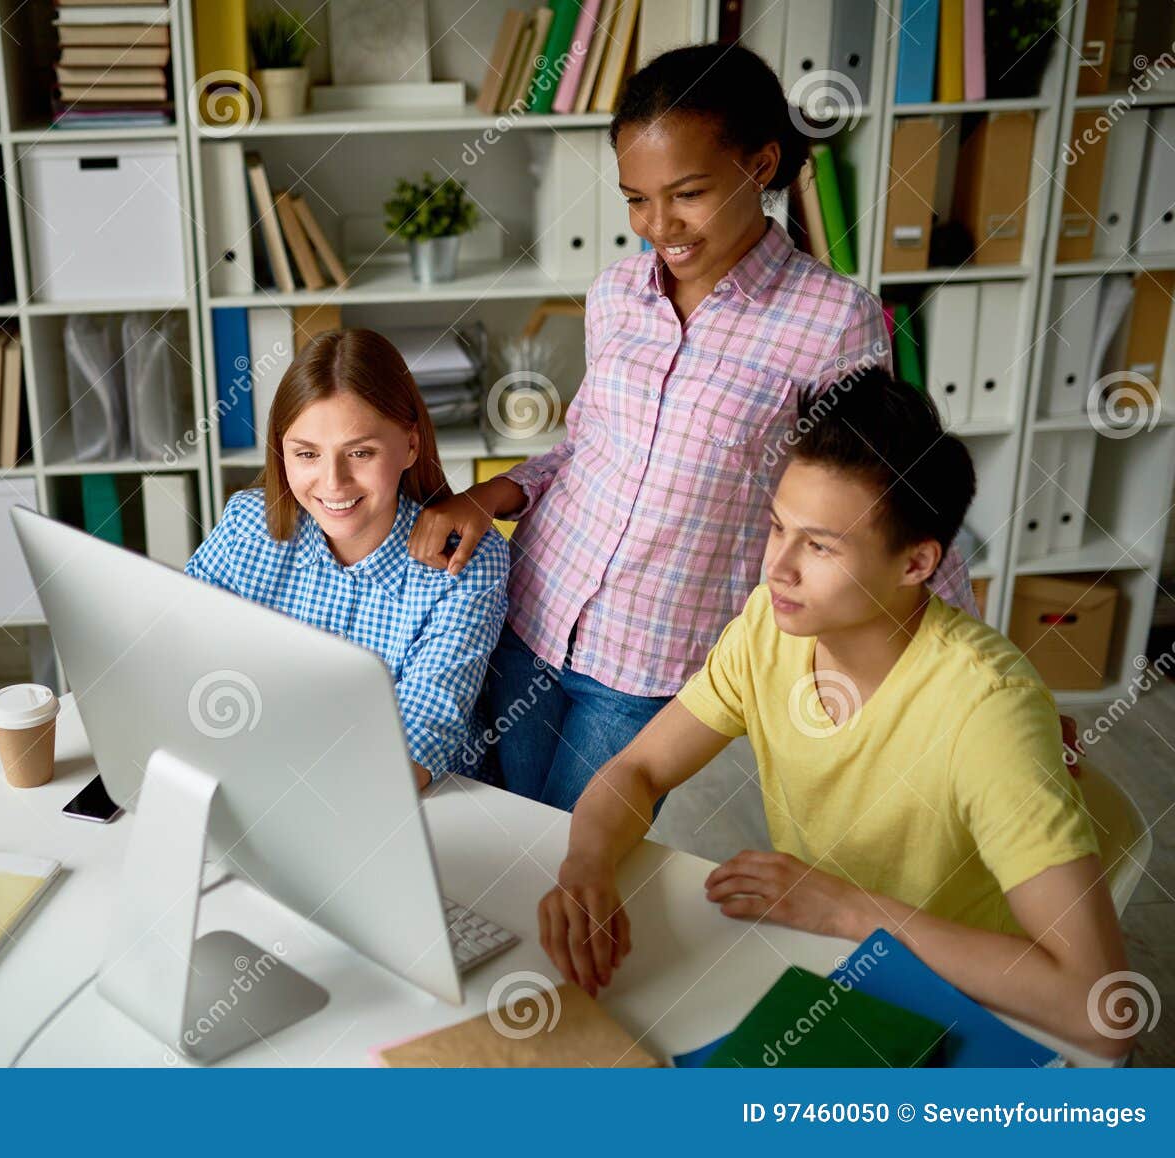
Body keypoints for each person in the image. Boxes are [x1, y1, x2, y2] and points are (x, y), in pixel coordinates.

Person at [408, 42, 979, 810]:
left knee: (572, 852)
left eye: (688, 193)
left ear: (762, 164)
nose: (659, 226)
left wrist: (979, 685)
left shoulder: (831, 320)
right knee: (484, 827)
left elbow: (884, 494)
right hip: (532, 609)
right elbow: (584, 448)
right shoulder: (615, 295)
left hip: (652, 658)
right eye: (637, 198)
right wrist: (492, 497)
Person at [537, 373, 1132, 1059]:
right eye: (776, 528)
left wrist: (849, 909)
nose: (777, 570)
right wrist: (586, 863)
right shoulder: (769, 626)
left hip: (961, 1011)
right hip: (828, 967)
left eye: (819, 546)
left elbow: (1102, 1009)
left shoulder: (987, 709)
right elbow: (639, 767)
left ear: (916, 563)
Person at [187, 328, 509, 790]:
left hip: (417, 804)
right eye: (307, 454)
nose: (333, 482)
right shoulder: (246, 525)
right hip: (260, 772)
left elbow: (420, 734)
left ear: (410, 446)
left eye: (360, 452)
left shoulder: (468, 562)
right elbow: (179, 645)